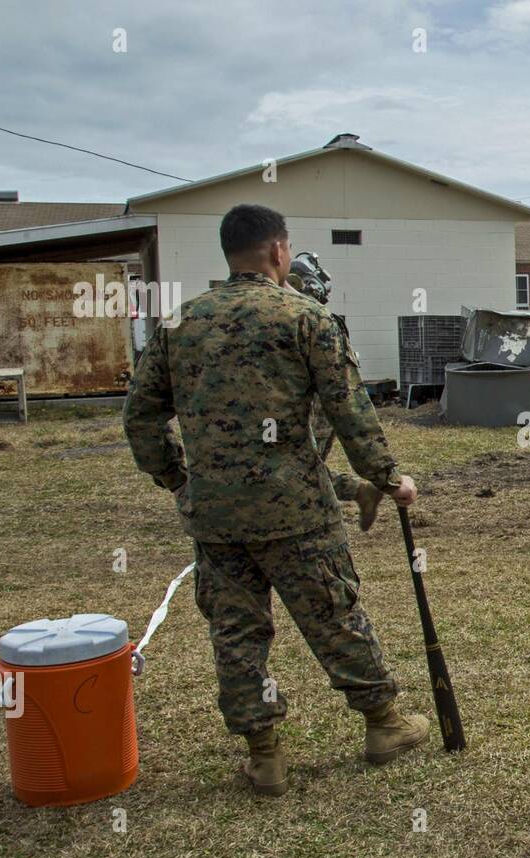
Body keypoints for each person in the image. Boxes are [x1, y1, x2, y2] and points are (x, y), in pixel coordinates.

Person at [123, 204, 431, 797]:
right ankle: (383, 725)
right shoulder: (307, 318)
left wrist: (179, 481)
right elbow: (350, 413)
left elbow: (139, 418)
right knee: (334, 615)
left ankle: (264, 756)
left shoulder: (181, 323)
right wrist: (390, 480)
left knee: (236, 635)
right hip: (296, 511)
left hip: (216, 516)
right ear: (280, 252)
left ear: (229, 252)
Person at [285, 251, 384, 533]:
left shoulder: (314, 321)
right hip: (320, 403)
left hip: (315, 404)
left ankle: (357, 492)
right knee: (305, 465)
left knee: (302, 466)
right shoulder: (317, 319)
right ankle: (359, 492)